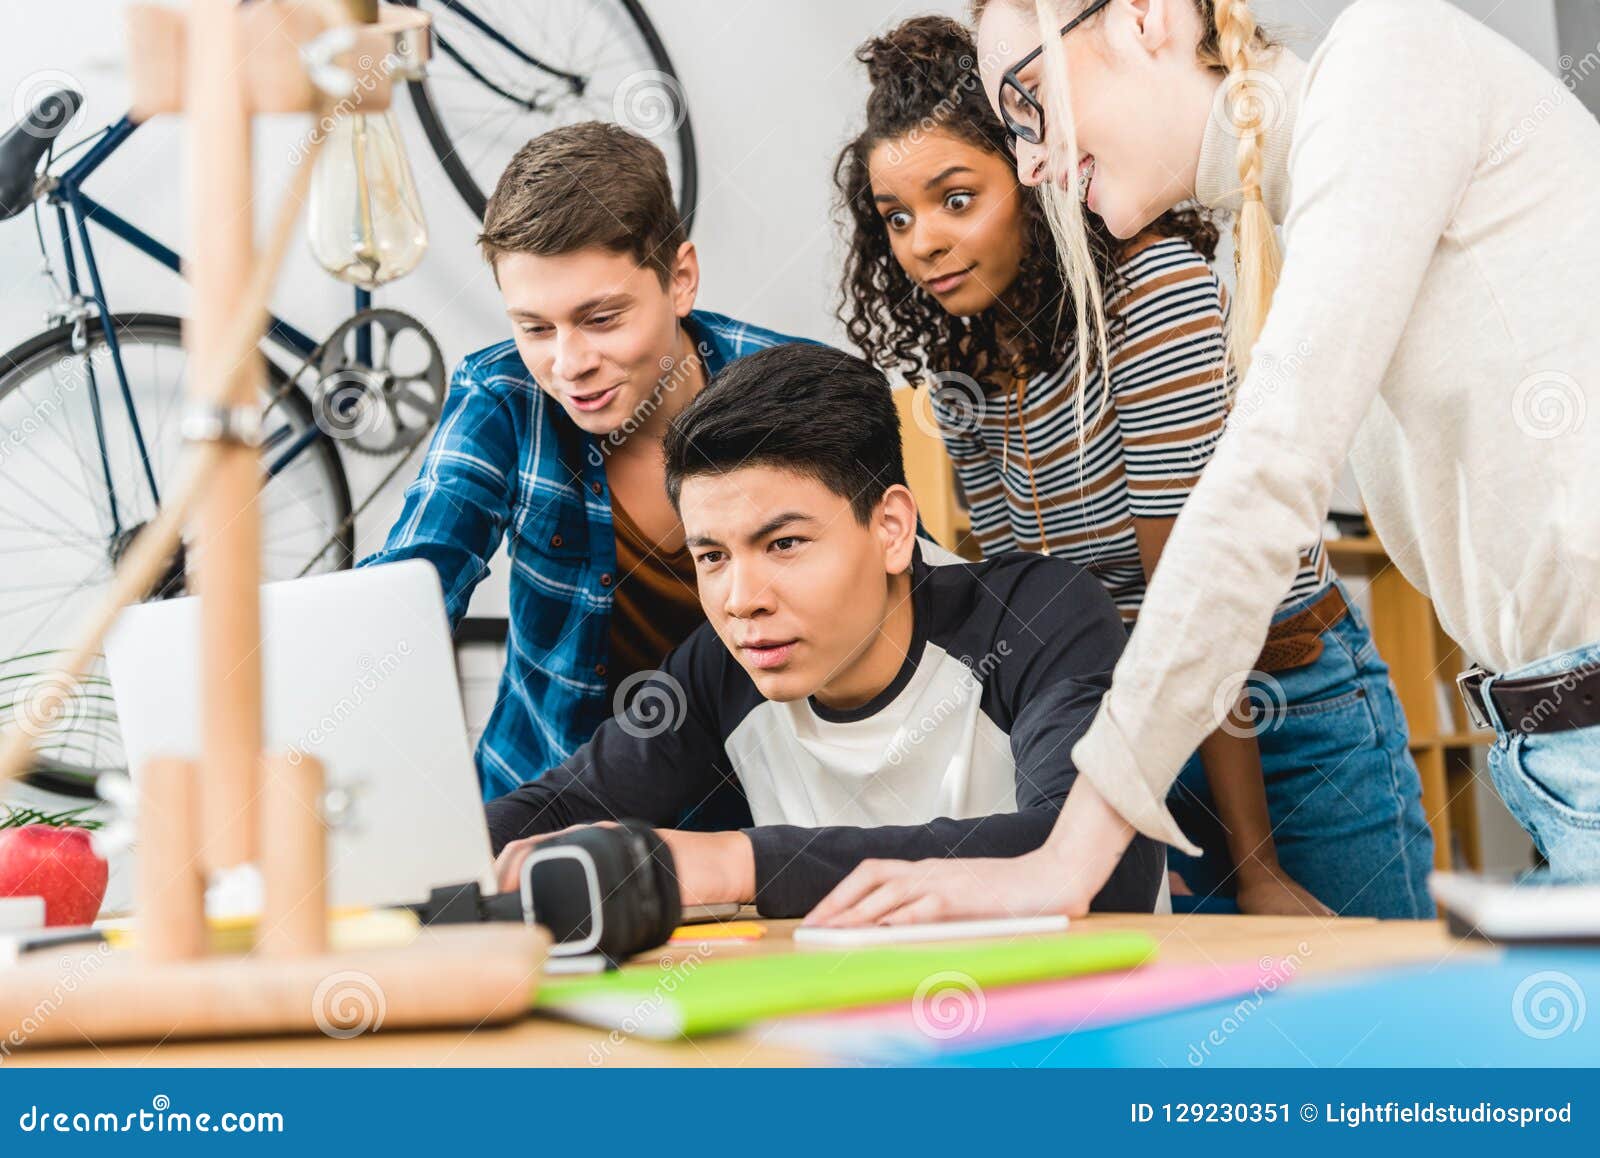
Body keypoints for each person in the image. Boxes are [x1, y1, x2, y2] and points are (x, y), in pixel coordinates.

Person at [809, 0, 1600, 926]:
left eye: (1028, 104)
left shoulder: (1393, 56)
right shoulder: (1296, 213)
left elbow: (1263, 484)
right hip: (1547, 741)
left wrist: (1070, 855)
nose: (1031, 163)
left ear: (1145, 19)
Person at [485, 344, 1164, 917]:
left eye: (783, 544)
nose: (741, 601)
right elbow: (565, 803)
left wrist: (732, 863)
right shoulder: (722, 667)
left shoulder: (1039, 618)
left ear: (892, 529)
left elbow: (1099, 861)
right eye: (712, 556)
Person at [363, 122, 810, 800]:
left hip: (765, 813)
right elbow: (415, 581)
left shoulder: (791, 390)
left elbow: (902, 596)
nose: (568, 366)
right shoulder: (503, 398)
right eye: (535, 328)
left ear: (680, 279)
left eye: (601, 319)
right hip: (545, 807)